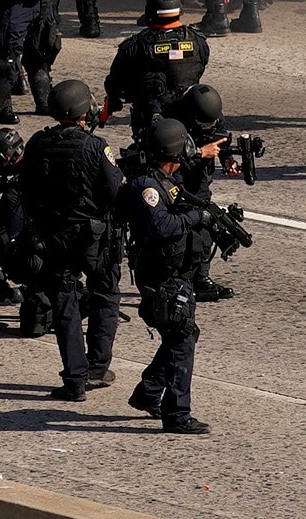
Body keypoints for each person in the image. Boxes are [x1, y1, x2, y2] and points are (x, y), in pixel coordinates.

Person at [17, 79, 126, 400]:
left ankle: (75, 380)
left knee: (65, 304)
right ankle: (97, 366)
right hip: (92, 238)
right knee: (105, 294)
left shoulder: (37, 143)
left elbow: (25, 187)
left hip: (53, 236)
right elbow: (114, 190)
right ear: (83, 111)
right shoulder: (95, 146)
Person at [122, 117, 226, 434]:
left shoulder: (164, 177)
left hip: (173, 272)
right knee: (182, 338)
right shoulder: (147, 186)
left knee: (182, 335)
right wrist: (198, 216)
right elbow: (161, 226)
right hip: (160, 275)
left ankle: (149, 392)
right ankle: (176, 413)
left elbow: (180, 195)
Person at [102, 0, 209, 136]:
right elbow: (201, 65)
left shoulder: (135, 46)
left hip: (150, 121)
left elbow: (115, 84)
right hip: (189, 114)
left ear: (150, 14)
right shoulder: (198, 41)